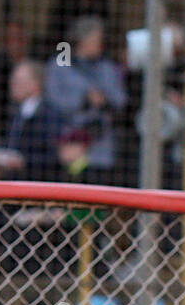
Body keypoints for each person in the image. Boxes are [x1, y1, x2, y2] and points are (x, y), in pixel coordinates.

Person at [44, 16, 126, 184]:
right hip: (70, 144)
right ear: (82, 40)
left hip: (101, 146)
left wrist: (104, 100)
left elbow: (121, 100)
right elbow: (53, 100)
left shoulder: (107, 67)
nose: (100, 44)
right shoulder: (60, 65)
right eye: (96, 39)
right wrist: (84, 99)